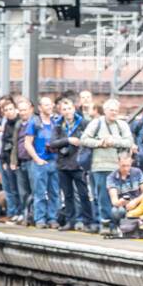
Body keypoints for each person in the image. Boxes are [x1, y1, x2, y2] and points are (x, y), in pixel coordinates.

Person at [79, 98, 135, 234]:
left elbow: (129, 141)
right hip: (100, 166)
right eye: (111, 110)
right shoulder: (96, 123)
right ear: (105, 111)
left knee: (120, 197)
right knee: (103, 196)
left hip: (119, 167)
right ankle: (105, 223)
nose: (114, 112)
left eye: (116, 110)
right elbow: (84, 139)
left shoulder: (122, 125)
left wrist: (114, 141)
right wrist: (100, 143)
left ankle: (118, 224)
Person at [47, 94, 92, 231]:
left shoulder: (83, 123)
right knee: (67, 195)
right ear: (61, 111)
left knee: (84, 194)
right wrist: (68, 140)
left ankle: (88, 222)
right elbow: (53, 143)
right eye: (64, 109)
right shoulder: (58, 125)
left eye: (69, 108)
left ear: (74, 109)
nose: (67, 111)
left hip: (79, 164)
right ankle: (70, 221)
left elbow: (89, 139)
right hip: (63, 164)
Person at [23, 96, 59, 228]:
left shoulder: (56, 122)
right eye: (46, 105)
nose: (49, 107)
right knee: (40, 193)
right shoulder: (34, 122)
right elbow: (27, 143)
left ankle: (53, 218)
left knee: (54, 192)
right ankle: (40, 219)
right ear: (40, 107)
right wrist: (37, 159)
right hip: (40, 162)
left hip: (54, 161)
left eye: (51, 105)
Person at [105, 153, 143, 234]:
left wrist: (135, 201)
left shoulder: (137, 172)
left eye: (128, 165)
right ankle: (120, 228)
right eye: (123, 166)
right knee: (116, 211)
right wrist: (121, 202)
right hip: (123, 206)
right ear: (118, 163)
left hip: (138, 202)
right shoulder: (111, 177)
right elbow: (114, 201)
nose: (126, 169)